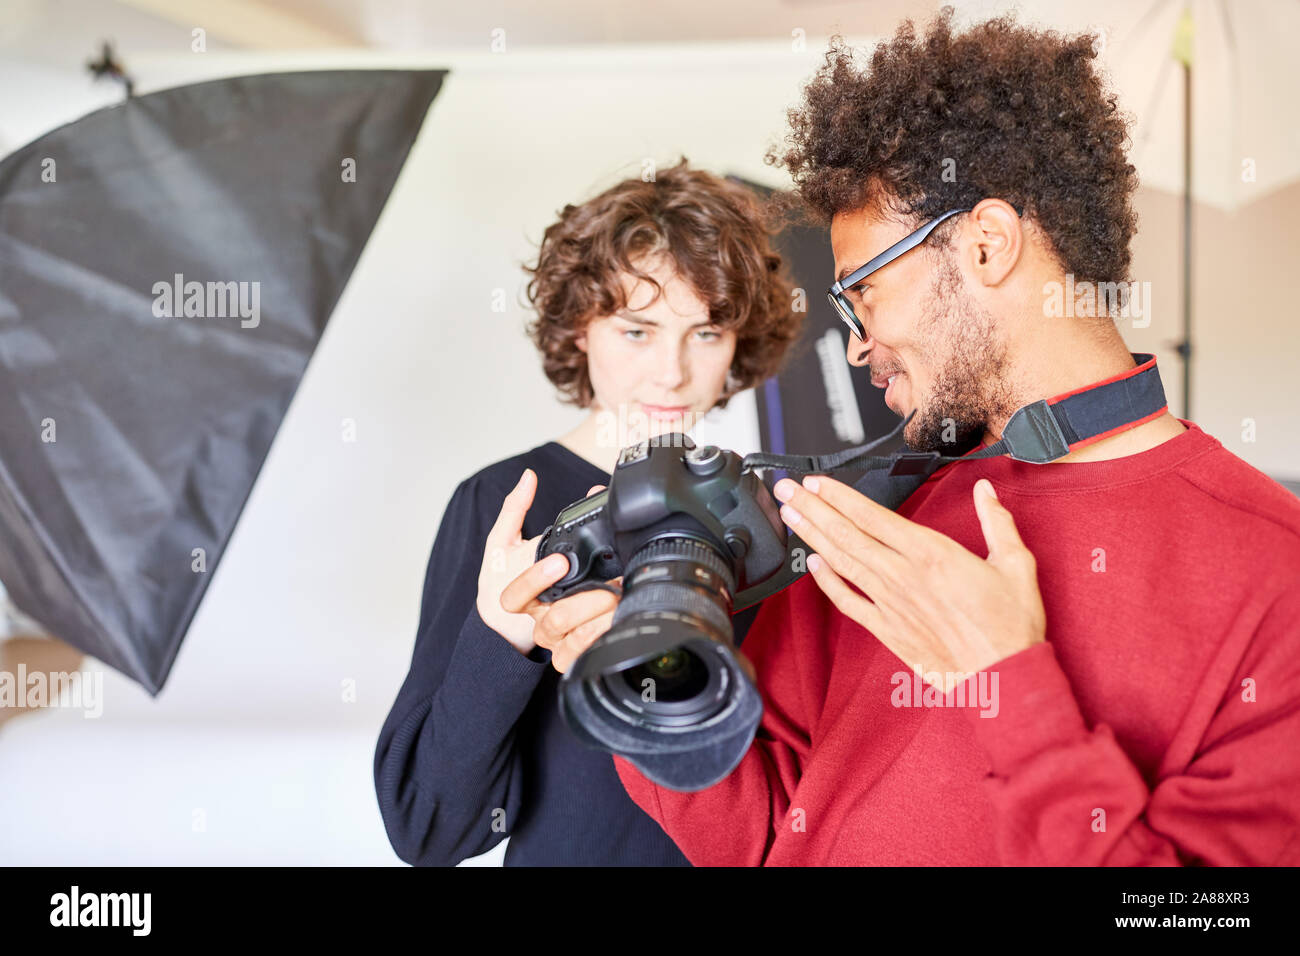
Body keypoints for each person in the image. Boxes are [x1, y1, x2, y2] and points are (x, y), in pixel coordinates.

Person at [506, 12, 1300, 865]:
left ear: (987, 244)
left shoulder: (1274, 574)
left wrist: (1005, 684)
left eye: (862, 293)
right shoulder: (877, 516)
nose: (853, 343)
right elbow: (759, 833)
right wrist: (645, 679)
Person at [374, 160, 801, 865]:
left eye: (706, 333)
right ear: (580, 329)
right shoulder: (504, 505)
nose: (672, 371)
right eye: (637, 332)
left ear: (740, 341)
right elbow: (429, 827)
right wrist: (501, 636)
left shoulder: (770, 520)